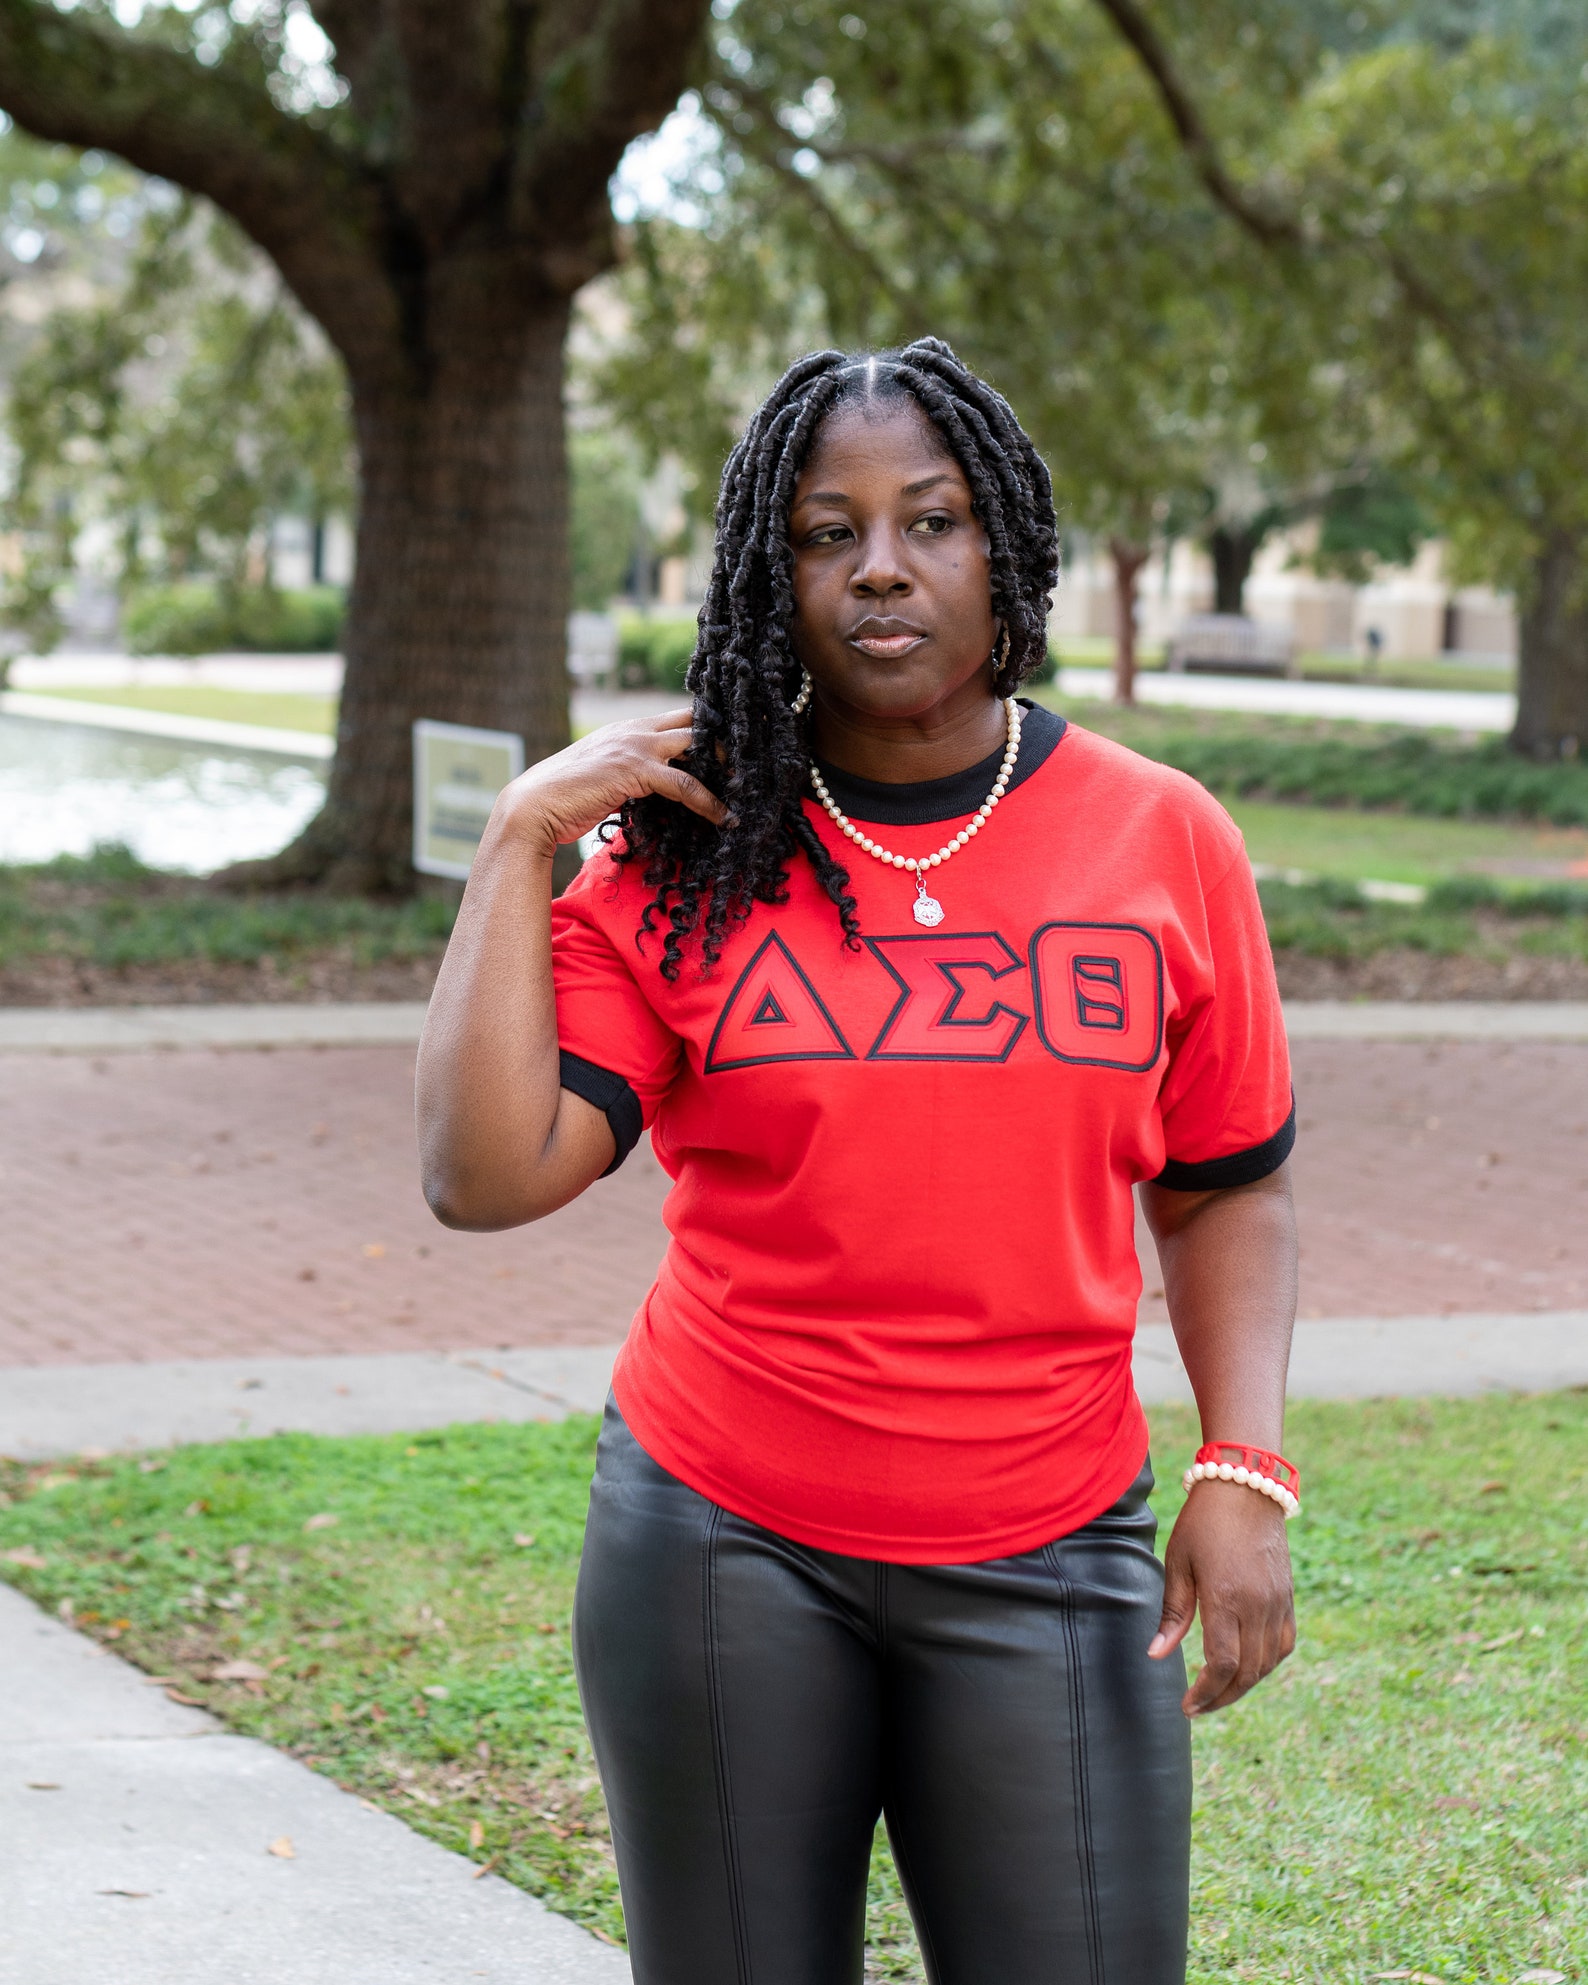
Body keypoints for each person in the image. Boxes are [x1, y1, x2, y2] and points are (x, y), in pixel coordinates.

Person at [416, 339, 1299, 1985]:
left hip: (1049, 1541)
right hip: (719, 1546)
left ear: (1005, 547)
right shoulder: (688, 848)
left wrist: (1242, 1467)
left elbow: (1227, 1180)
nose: (882, 566)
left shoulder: (1164, 836)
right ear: (775, 567)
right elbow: (487, 1170)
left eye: (933, 519)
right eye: (829, 531)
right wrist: (516, 839)